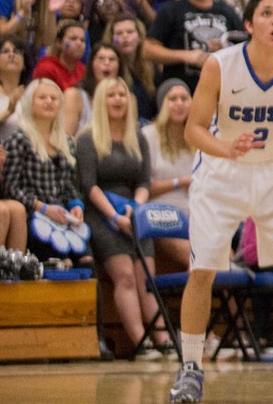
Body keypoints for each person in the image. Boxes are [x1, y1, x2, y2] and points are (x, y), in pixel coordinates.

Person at [168, 0, 273, 404]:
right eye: (266, 13)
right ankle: (190, 368)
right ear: (249, 24)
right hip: (223, 173)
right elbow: (193, 130)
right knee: (202, 270)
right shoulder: (220, 66)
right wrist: (227, 149)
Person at [77, 77, 170, 358]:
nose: (118, 100)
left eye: (122, 95)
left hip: (134, 212)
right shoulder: (87, 138)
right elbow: (88, 185)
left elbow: (144, 181)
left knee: (146, 279)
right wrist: (115, 217)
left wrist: (135, 208)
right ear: (101, 101)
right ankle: (140, 342)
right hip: (101, 213)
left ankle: (164, 339)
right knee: (126, 277)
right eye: (111, 95)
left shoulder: (137, 136)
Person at [0, 79, 84, 262]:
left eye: (54, 98)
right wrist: (42, 207)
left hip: (63, 216)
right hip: (33, 215)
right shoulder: (19, 140)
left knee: (87, 258)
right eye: (42, 97)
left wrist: (76, 205)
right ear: (30, 103)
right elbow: (8, 188)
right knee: (63, 259)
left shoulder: (67, 141)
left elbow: (69, 184)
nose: (49, 101)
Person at [145, 0, 242, 88]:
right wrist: (185, 56)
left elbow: (246, 49)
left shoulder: (228, 12)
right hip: (180, 93)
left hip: (220, 91)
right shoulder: (171, 10)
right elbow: (148, 50)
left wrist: (226, 49)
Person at [143, 78, 195, 268]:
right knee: (201, 259)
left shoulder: (195, 137)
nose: (179, 104)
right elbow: (142, 188)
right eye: (173, 99)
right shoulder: (149, 135)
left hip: (195, 216)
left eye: (184, 98)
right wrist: (180, 182)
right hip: (163, 217)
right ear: (162, 103)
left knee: (227, 257)